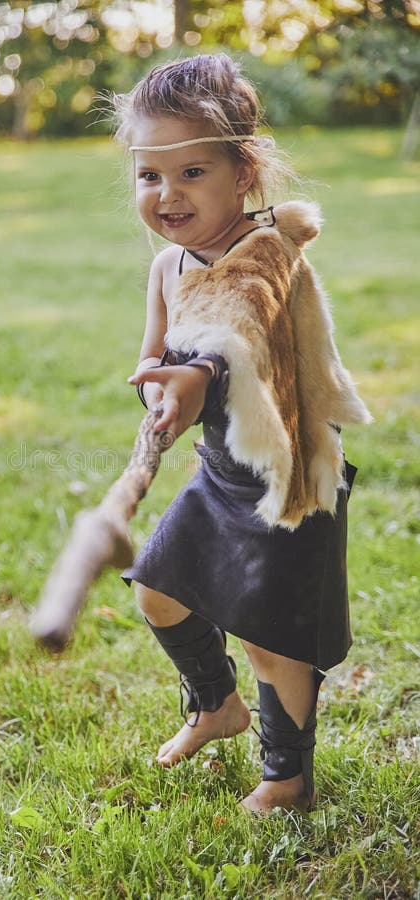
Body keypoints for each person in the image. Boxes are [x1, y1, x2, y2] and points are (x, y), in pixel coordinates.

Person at [112, 54, 371, 813]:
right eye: (149, 175)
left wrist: (196, 380)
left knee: (273, 634)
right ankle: (215, 706)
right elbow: (160, 349)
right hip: (221, 469)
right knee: (159, 592)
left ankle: (287, 778)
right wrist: (159, 382)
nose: (167, 193)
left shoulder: (268, 254)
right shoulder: (167, 266)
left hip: (287, 478)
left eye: (192, 172)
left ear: (246, 174)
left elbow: (235, 333)